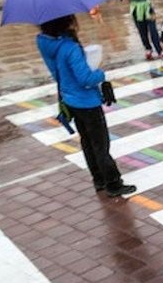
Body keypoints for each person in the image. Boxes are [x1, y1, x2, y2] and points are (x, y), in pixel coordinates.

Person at [36, 15, 136, 197]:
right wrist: (100, 73)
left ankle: (98, 180)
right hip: (87, 102)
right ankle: (113, 183)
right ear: (66, 23)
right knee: (100, 145)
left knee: (88, 143)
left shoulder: (48, 45)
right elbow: (85, 79)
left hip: (71, 100)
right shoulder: (70, 47)